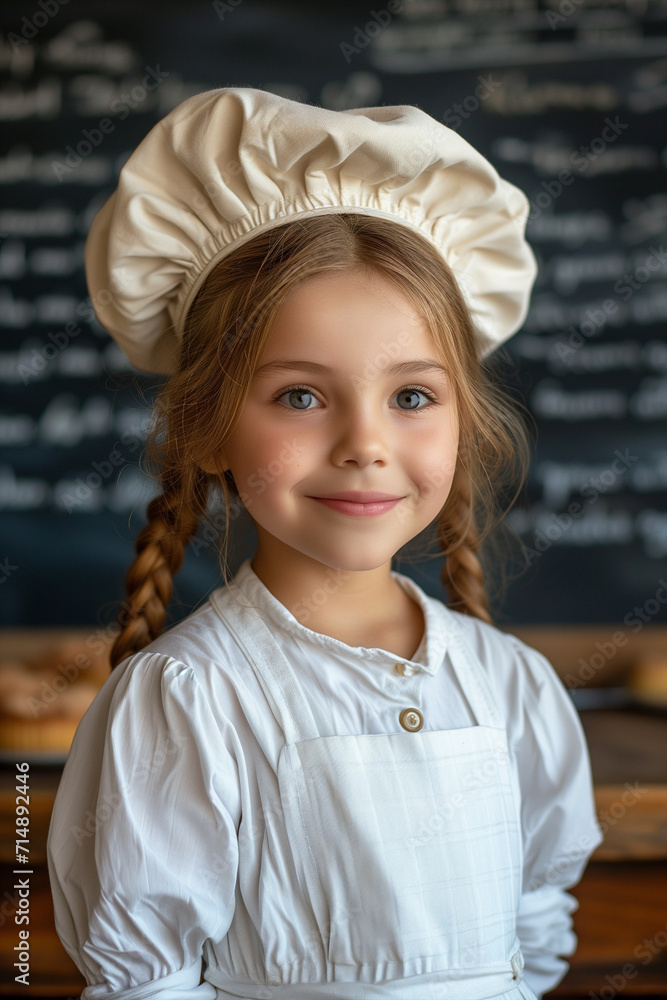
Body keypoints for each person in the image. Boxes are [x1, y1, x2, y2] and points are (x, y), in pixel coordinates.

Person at [46, 87, 603, 1000]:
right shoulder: (187, 702)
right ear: (210, 428)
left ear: (463, 420)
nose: (365, 443)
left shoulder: (512, 688)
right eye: (300, 395)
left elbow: (535, 934)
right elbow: (147, 983)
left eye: (411, 396)